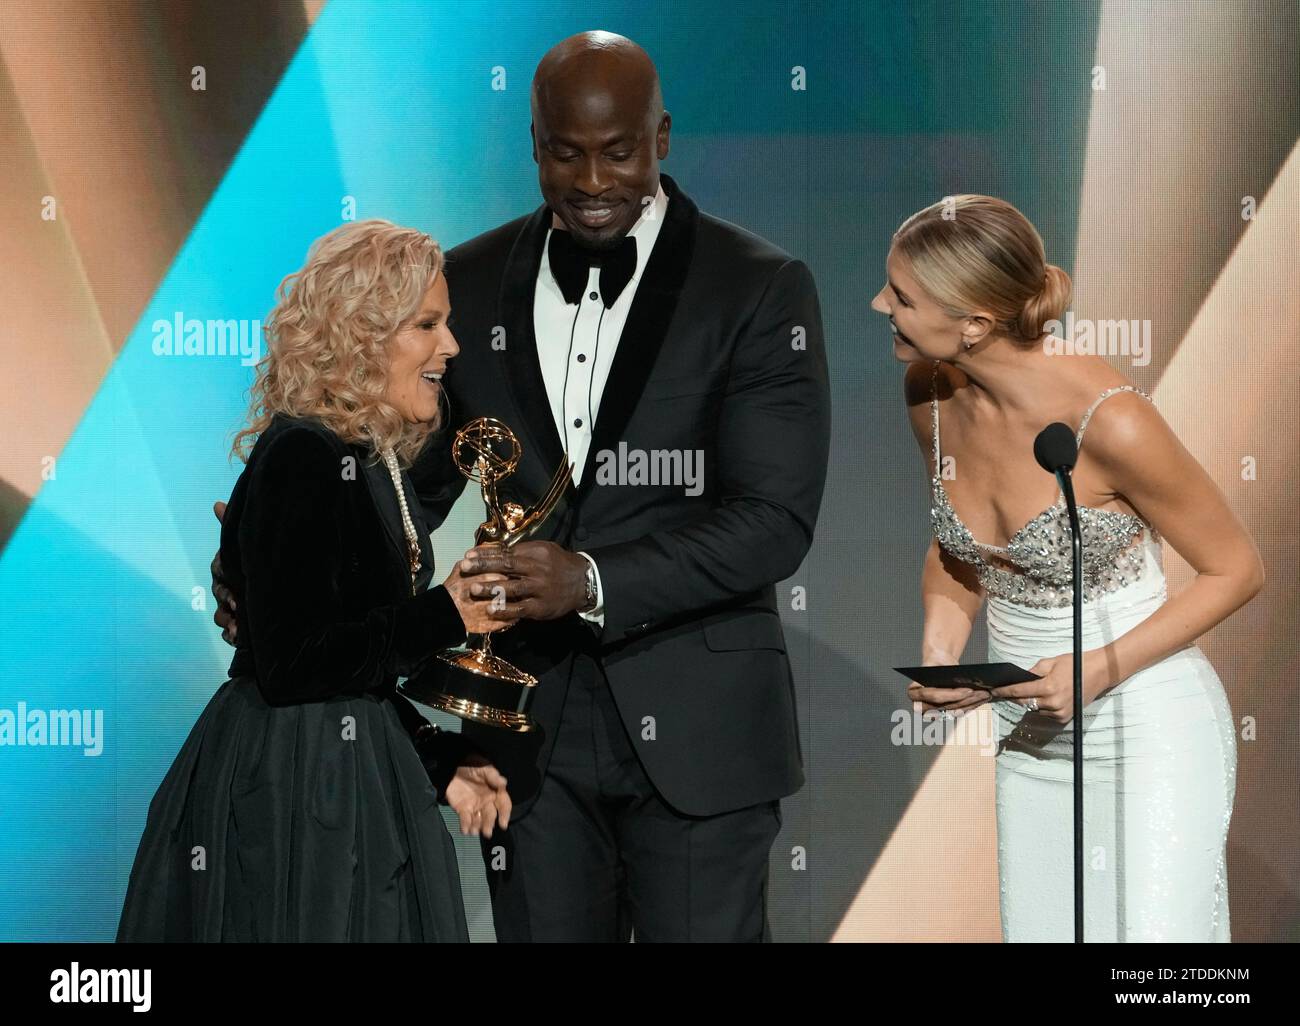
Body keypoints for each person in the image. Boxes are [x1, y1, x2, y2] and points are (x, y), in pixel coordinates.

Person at [220, 32, 831, 942]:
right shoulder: (464, 280)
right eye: (565, 152)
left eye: (618, 152)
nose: (591, 180)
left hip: (702, 728)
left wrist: (589, 579)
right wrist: (280, 573)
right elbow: (402, 480)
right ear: (534, 143)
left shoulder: (757, 287)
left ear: (662, 136)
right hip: (526, 731)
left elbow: (772, 522)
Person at [874, 194, 1264, 941]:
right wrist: (941, 651)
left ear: (976, 324)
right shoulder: (929, 390)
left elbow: (1237, 568)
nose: (879, 304)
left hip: (1150, 723)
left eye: (902, 296)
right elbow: (958, 549)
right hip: (1033, 735)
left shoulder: (1109, 419)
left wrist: (1095, 669)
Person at [118, 220, 518, 942]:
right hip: (297, 791)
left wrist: (437, 762)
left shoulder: (366, 456)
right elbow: (297, 663)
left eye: (447, 322)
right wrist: (448, 613)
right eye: (427, 324)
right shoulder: (303, 454)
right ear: (363, 335)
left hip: (347, 774)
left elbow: (351, 664)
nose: (450, 347)